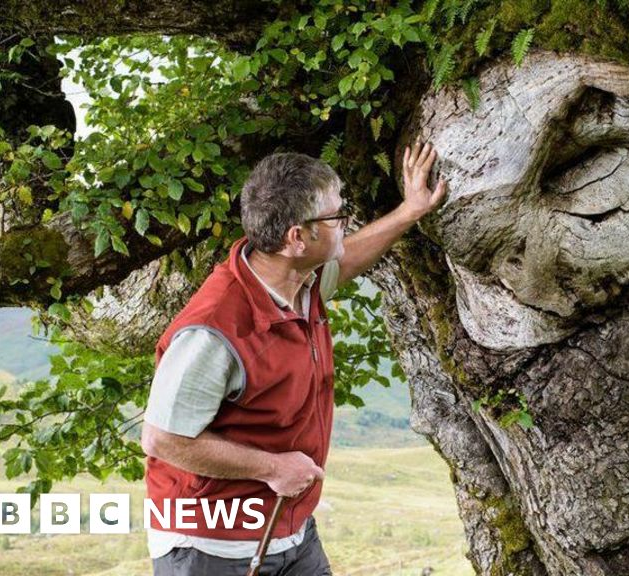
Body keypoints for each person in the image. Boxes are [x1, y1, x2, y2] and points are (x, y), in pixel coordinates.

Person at [140, 138, 447, 576]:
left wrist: (410, 210)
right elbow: (162, 439)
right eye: (338, 216)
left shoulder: (296, 282)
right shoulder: (213, 331)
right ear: (297, 237)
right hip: (210, 548)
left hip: (291, 529)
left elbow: (346, 259)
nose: (346, 223)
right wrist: (273, 467)